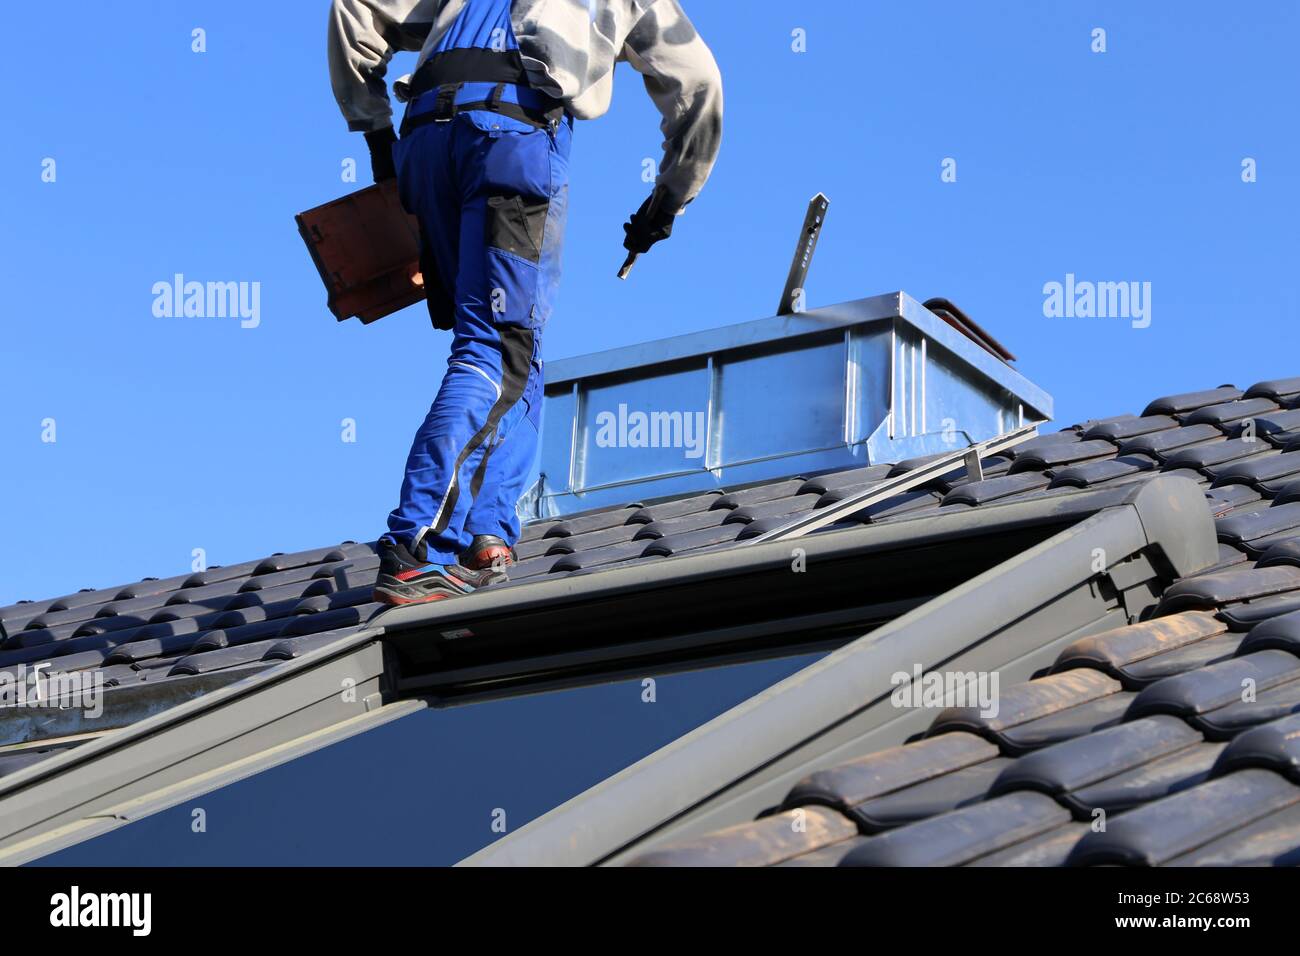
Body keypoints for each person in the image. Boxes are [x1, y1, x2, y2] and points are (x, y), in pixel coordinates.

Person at [328, 0, 723, 604]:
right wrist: (668, 200)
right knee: (495, 350)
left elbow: (355, 8)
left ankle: (487, 530)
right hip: (510, 135)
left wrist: (377, 133)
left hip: (427, 143)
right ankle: (418, 546)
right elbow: (699, 88)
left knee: (519, 342)